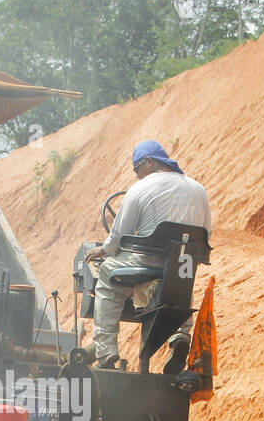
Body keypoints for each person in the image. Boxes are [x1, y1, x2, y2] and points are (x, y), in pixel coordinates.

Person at [84, 140, 211, 371]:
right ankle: (180, 337)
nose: (136, 176)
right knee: (180, 286)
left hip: (144, 263)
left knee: (107, 278)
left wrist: (102, 250)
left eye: (137, 169)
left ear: (150, 162)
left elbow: (118, 236)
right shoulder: (198, 189)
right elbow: (206, 235)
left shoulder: (140, 189)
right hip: (180, 266)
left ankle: (106, 353)